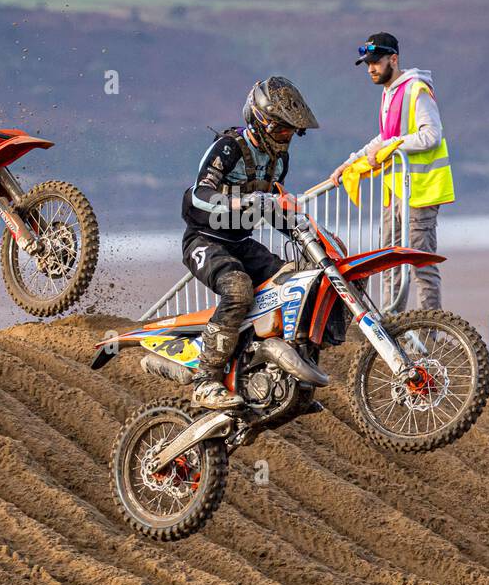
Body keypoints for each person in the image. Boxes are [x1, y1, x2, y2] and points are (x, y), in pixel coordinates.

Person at [181, 76, 320, 409]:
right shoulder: (229, 147)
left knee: (298, 283)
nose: (287, 137)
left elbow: (271, 209)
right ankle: (205, 379)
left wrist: (307, 236)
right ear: (261, 121)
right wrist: (241, 202)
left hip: (240, 242)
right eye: (282, 130)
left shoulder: (278, 161)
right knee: (238, 289)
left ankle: (281, 377)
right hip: (204, 240)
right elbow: (200, 194)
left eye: (291, 131)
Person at [328, 33, 453, 313]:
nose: (371, 69)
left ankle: (430, 333)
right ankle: (391, 328)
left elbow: (431, 135)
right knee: (388, 261)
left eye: (375, 62)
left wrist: (391, 146)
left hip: (420, 192)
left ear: (393, 59)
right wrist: (350, 163)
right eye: (367, 64)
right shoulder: (390, 92)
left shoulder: (415, 89)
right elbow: (386, 137)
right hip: (394, 192)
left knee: (422, 264)